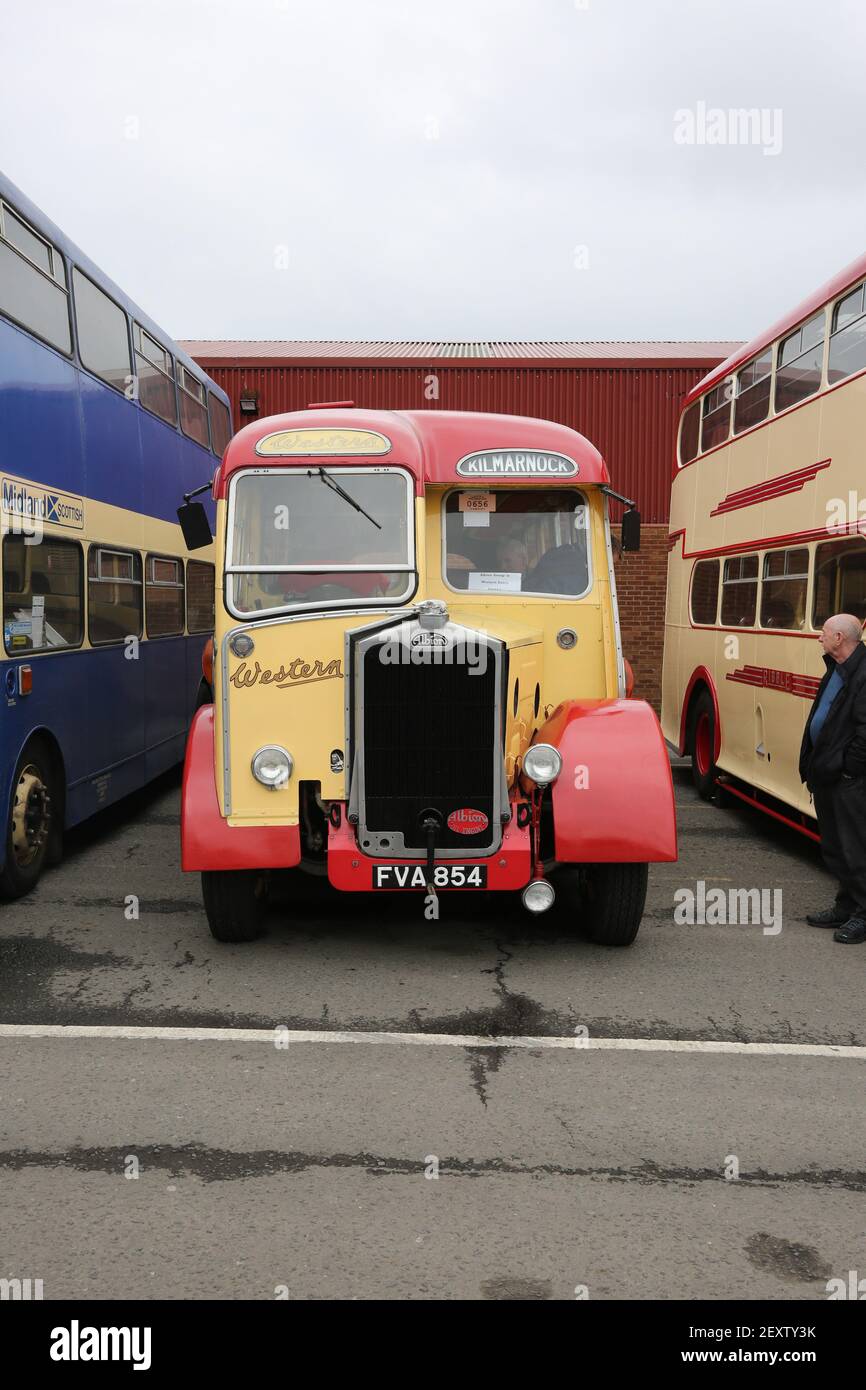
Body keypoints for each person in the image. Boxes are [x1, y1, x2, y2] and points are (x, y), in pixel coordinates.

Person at [800, 613, 866, 944]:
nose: (819, 638)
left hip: (848, 779)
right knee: (835, 846)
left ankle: (863, 914)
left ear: (839, 638)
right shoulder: (836, 668)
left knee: (856, 848)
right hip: (827, 773)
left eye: (824, 632)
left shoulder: (863, 673)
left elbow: (864, 732)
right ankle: (846, 906)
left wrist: (848, 769)